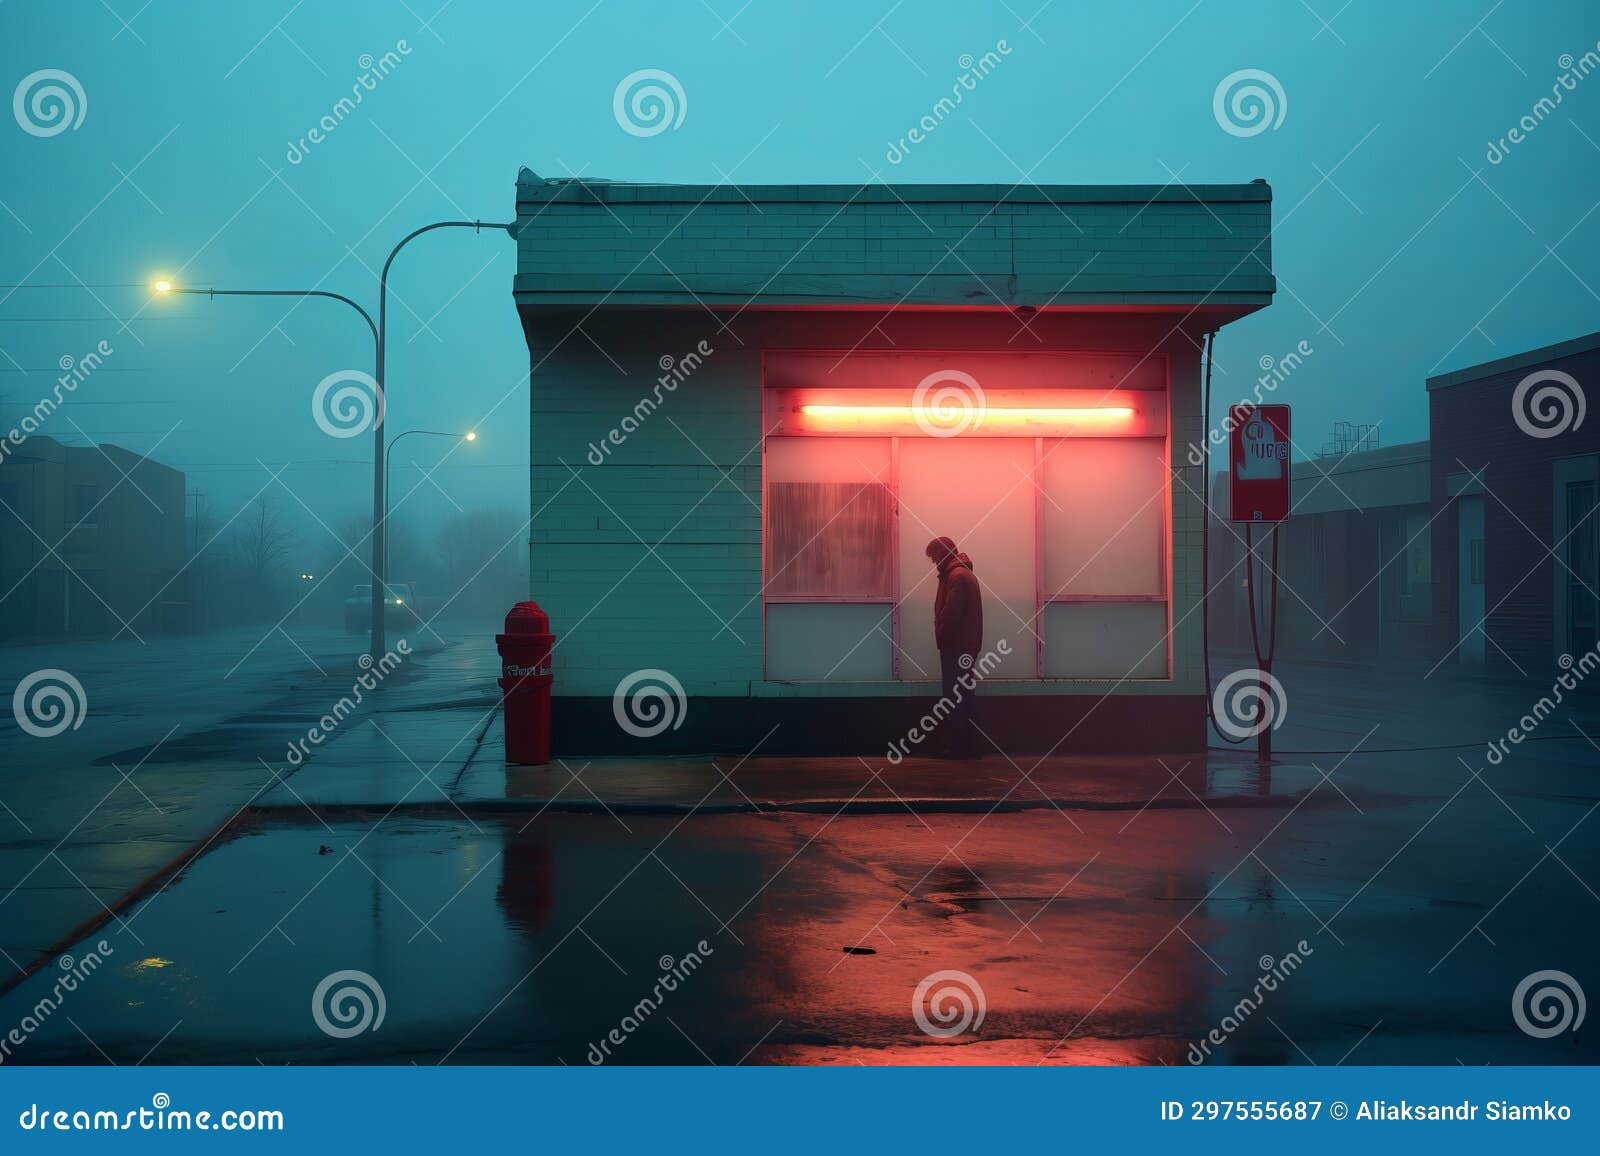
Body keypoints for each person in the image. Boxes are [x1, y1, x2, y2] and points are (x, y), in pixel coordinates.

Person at [925, 536, 983, 759]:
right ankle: (972, 746)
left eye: (934, 557)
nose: (933, 562)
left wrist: (941, 635)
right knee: (965, 693)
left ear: (943, 553)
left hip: (956, 647)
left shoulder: (955, 577)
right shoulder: (962, 574)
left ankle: (958, 747)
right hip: (966, 647)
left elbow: (951, 615)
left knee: (954, 695)